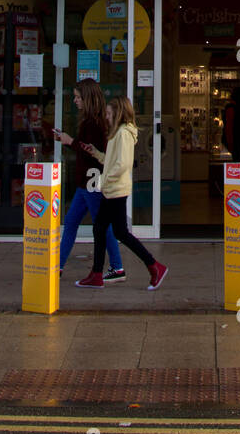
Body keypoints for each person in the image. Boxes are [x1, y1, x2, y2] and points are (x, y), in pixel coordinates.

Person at [76, 96, 168, 291]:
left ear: (118, 114)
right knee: (106, 229)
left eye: (109, 114)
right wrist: (96, 153)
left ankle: (152, 266)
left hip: (115, 190)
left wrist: (105, 182)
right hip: (113, 189)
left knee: (112, 231)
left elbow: (122, 165)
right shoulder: (118, 133)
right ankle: (99, 273)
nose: (107, 118)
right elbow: (112, 162)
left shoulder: (124, 134)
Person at [53, 79, 126, 282]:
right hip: (86, 183)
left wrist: (70, 141)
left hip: (92, 182)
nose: (75, 101)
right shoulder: (94, 120)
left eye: (78, 97)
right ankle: (57, 266)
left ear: (88, 98)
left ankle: (117, 267)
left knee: (102, 225)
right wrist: (69, 142)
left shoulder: (94, 122)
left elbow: (93, 151)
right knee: (71, 222)